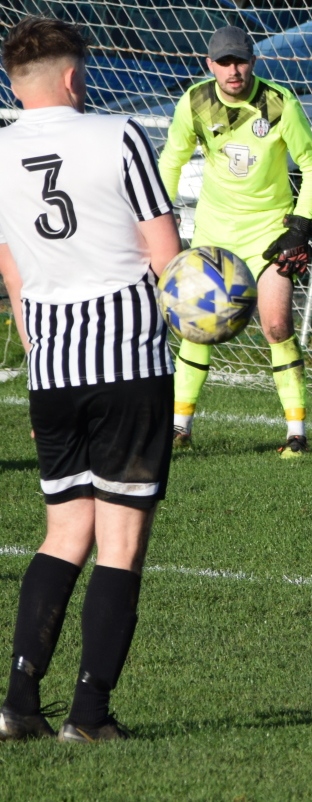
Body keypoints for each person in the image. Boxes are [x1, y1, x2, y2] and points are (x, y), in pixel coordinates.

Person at [0, 15, 181, 742]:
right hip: (128, 360)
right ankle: (90, 713)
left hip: (51, 364)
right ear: (75, 78)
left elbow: (10, 268)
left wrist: (37, 341)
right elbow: (166, 256)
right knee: (121, 540)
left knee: (62, 531)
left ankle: (16, 705)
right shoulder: (120, 135)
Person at [158, 25, 312, 457]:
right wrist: (160, 217)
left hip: (269, 235)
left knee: (276, 326)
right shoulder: (194, 101)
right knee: (195, 329)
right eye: (224, 62)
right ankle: (179, 428)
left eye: (240, 60)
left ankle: (296, 433)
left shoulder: (279, 102)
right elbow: (172, 161)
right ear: (209, 64)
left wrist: (300, 226)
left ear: (253, 61)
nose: (233, 70)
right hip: (214, 236)